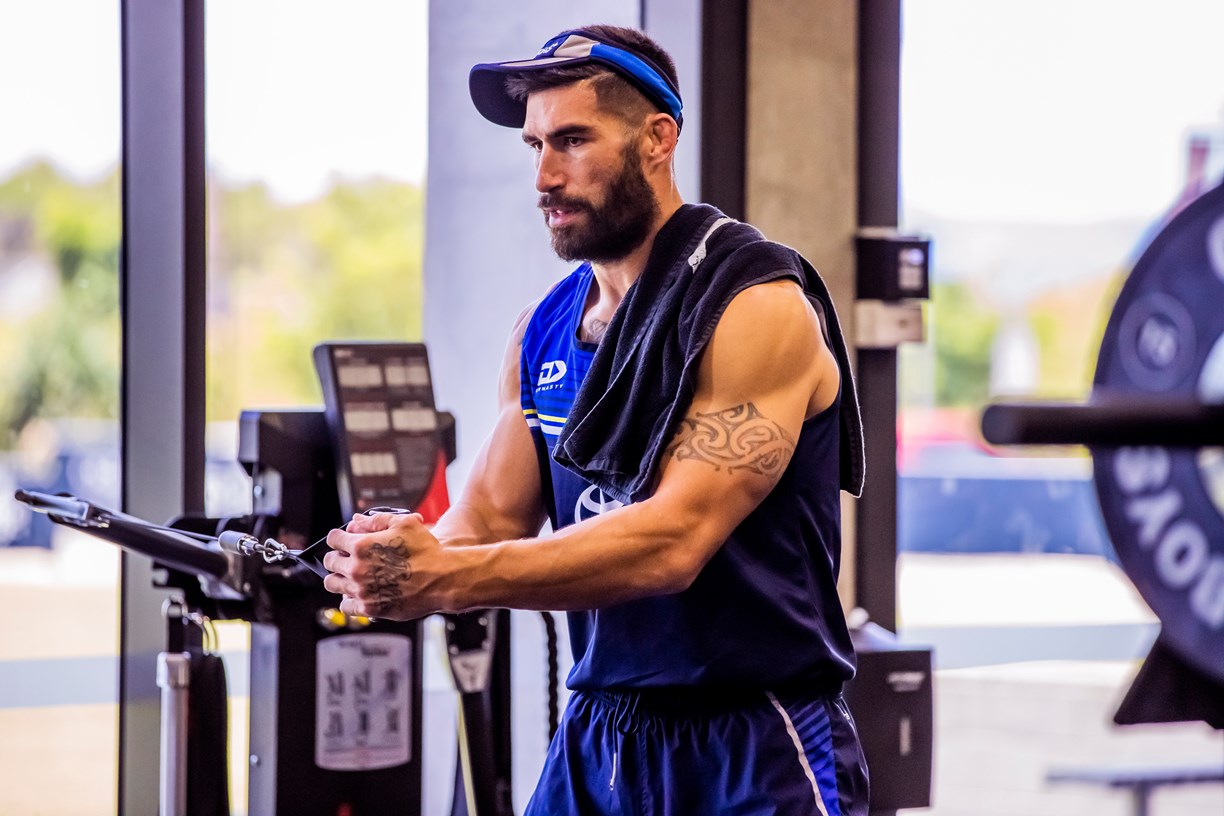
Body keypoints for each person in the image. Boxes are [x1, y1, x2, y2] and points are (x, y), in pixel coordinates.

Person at [323, 24, 869, 816]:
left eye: (573, 141)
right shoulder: (542, 329)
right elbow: (488, 515)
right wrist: (397, 556)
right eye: (534, 145)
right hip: (604, 735)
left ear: (657, 138)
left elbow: (673, 541)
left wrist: (449, 578)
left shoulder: (754, 307)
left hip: (755, 736)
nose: (544, 175)